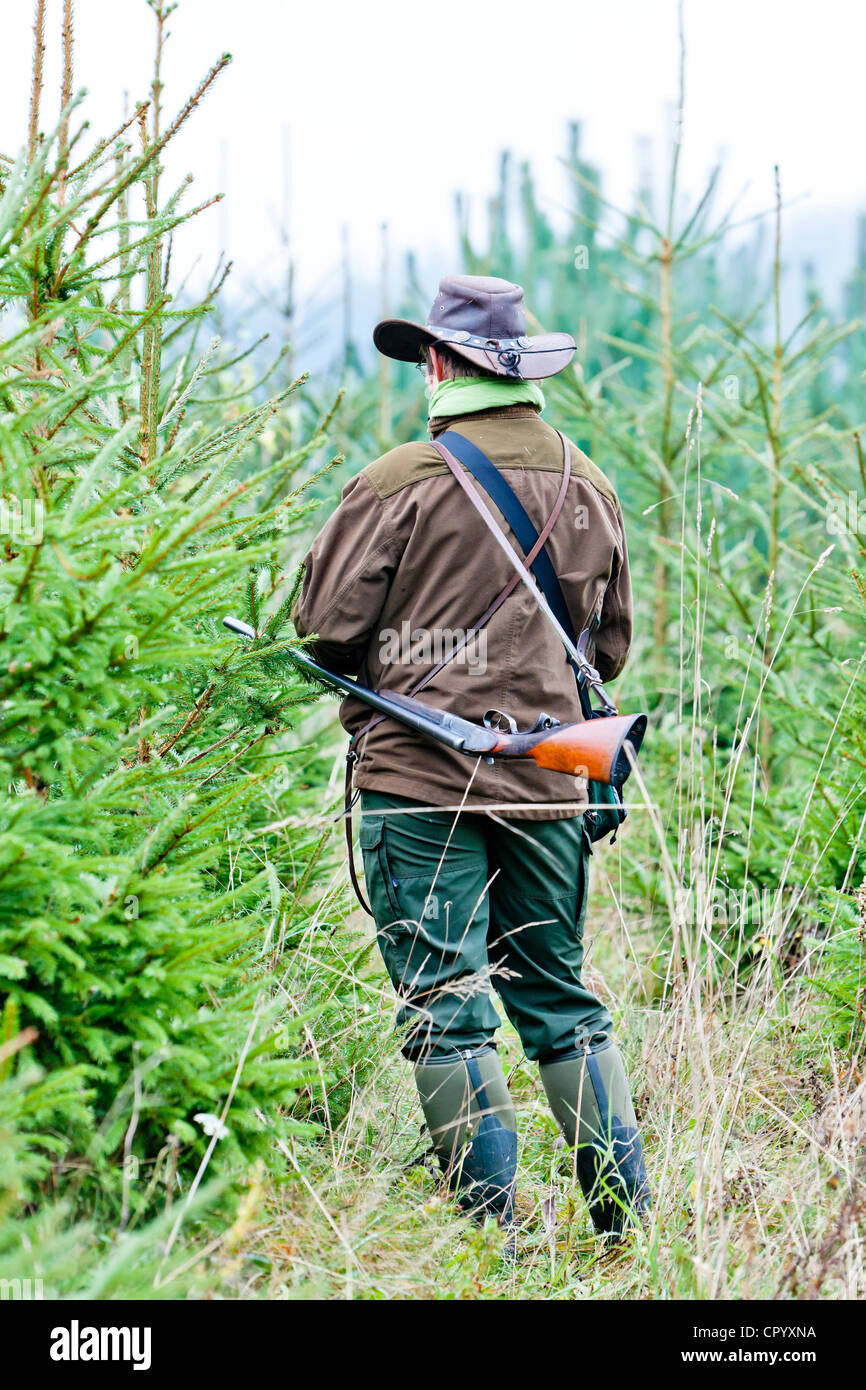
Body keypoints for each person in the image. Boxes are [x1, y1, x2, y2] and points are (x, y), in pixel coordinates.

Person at [293, 275, 650, 1242]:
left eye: (424, 361)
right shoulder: (592, 482)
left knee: (447, 1003)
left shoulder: (397, 479)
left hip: (418, 786)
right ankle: (623, 1229)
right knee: (561, 999)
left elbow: (324, 633)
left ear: (443, 364)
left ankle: (486, 1242)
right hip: (550, 783)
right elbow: (607, 649)